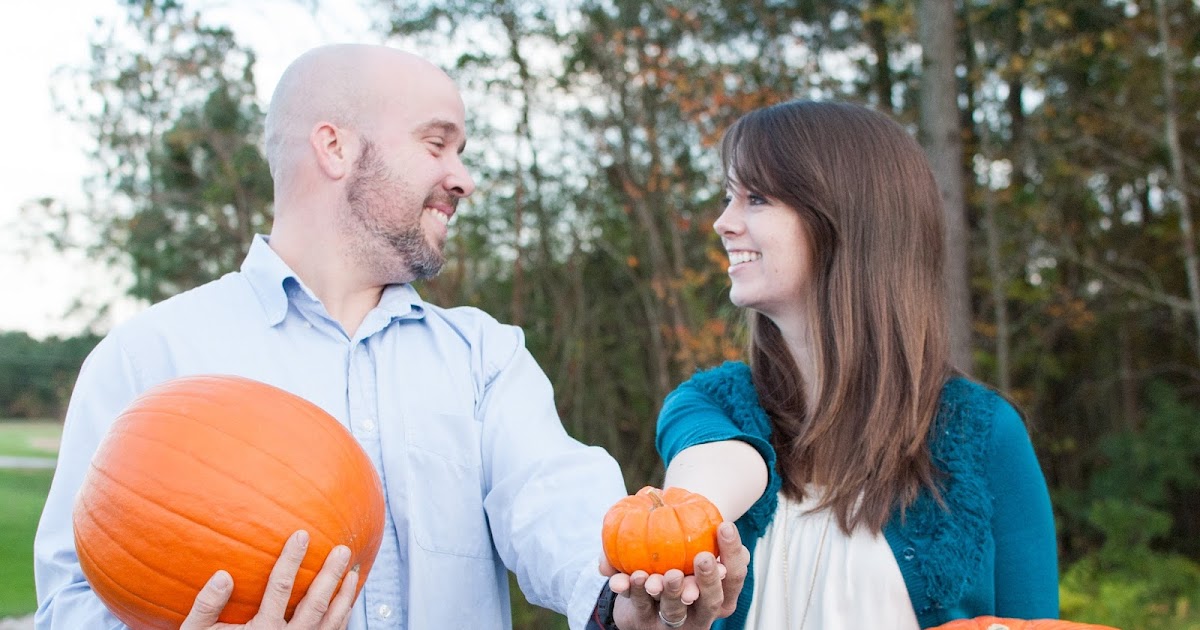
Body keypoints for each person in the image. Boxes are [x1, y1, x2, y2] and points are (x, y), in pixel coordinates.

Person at [33, 44, 748, 630]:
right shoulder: (150, 357)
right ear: (335, 147)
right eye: (438, 143)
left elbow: (557, 507)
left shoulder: (485, 357)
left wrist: (631, 596)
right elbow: (71, 601)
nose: (463, 179)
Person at [653, 101, 1059, 629]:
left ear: (843, 220)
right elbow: (710, 475)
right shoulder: (713, 404)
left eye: (756, 198)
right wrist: (678, 531)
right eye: (729, 197)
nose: (723, 223)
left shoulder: (981, 434)